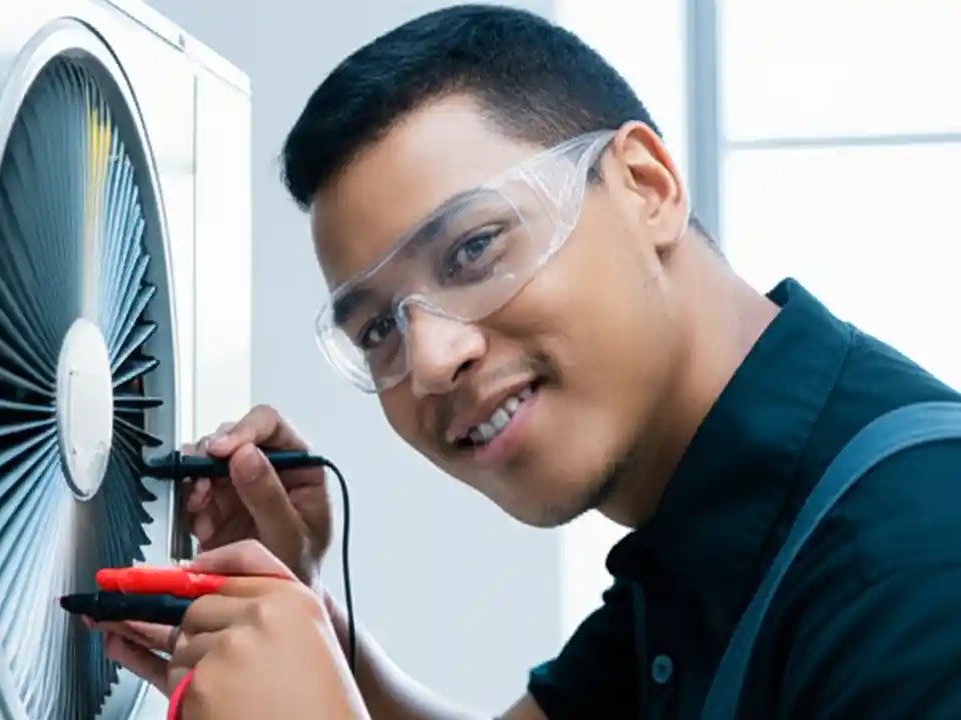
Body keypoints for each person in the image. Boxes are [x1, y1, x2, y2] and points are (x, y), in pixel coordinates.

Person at [88, 4, 961, 718]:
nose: (431, 360)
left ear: (646, 186)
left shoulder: (915, 565)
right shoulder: (703, 530)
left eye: (473, 250)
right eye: (379, 329)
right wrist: (308, 619)